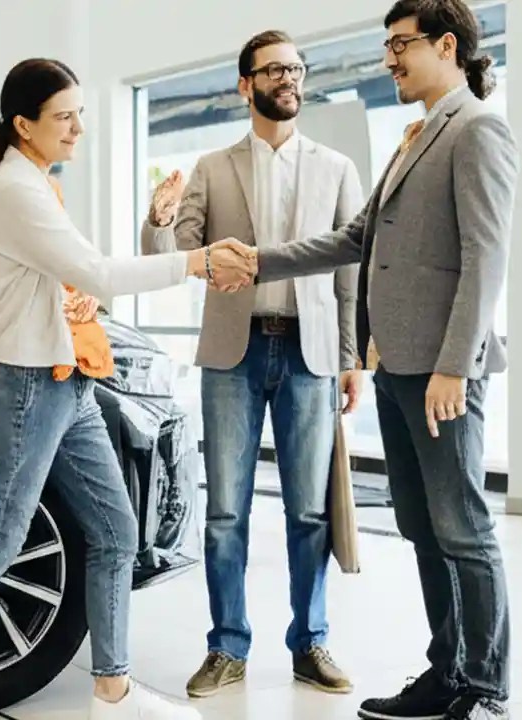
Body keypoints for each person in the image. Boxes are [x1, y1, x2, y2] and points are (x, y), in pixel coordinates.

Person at [0, 57, 252, 720]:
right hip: (28, 388)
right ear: (23, 124)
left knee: (115, 531)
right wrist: (196, 261)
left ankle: (113, 691)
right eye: (64, 117)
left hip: (71, 383)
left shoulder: (37, 181)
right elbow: (94, 271)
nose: (78, 129)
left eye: (81, 114)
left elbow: (67, 277)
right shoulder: (14, 188)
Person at [237, 2, 516, 718]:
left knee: (465, 529)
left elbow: (486, 260)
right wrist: (259, 260)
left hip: (441, 373)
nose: (388, 59)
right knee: (423, 528)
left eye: (401, 45)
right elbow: (354, 238)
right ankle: (447, 673)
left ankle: (485, 690)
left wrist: (456, 365)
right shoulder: (415, 137)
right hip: (397, 369)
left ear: (446, 45)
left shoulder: (478, 129)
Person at [140, 30, 364, 699]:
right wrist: (156, 219)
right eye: (274, 70)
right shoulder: (211, 166)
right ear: (246, 85)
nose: (289, 78)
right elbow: (174, 251)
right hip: (232, 356)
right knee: (226, 513)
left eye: (296, 67)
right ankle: (227, 645)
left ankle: (311, 642)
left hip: (312, 352)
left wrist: (353, 358)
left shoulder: (336, 167)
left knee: (310, 513)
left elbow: (350, 269)